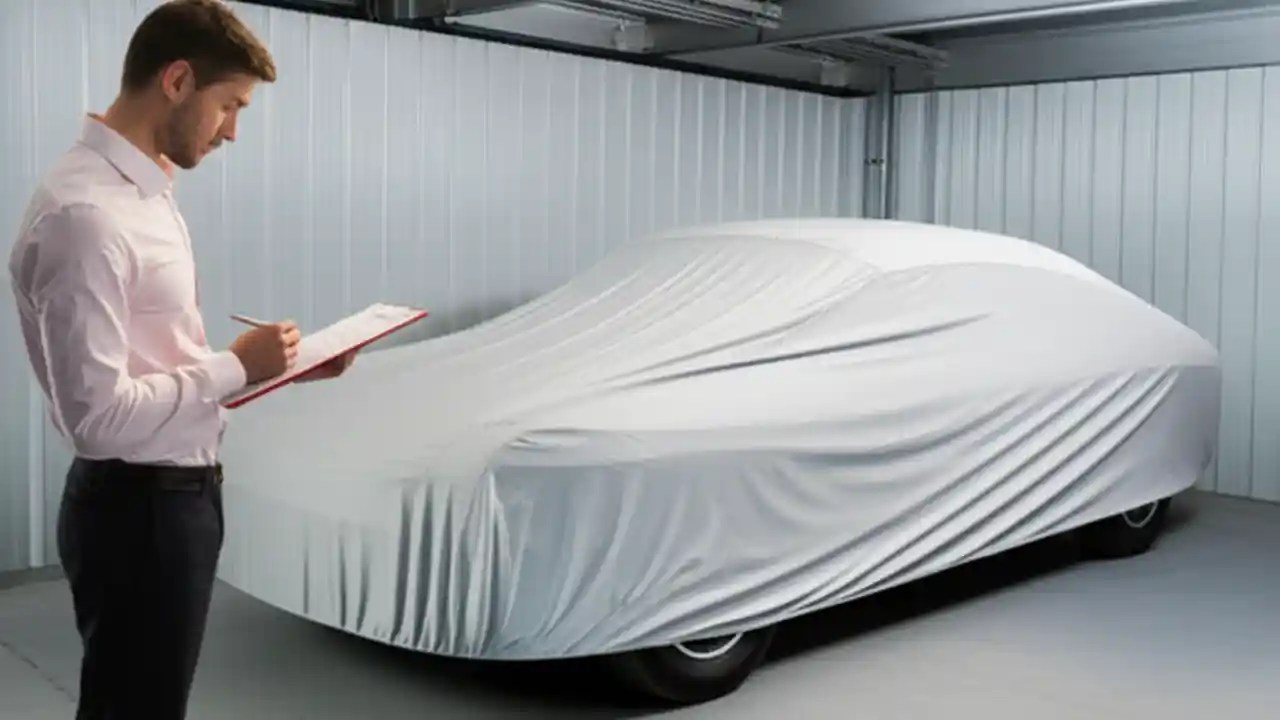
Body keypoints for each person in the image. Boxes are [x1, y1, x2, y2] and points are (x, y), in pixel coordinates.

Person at [7, 1, 354, 717]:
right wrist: (234, 367)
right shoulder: (87, 217)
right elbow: (98, 421)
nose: (232, 130)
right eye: (230, 106)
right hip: (141, 513)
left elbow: (156, 365)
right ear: (176, 80)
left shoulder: (145, 195)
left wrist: (282, 366)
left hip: (168, 503)